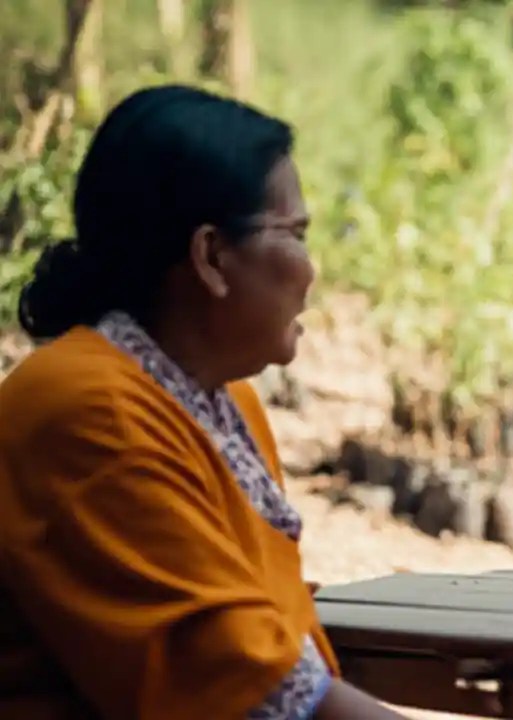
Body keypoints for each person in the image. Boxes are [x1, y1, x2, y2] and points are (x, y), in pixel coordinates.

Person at [0, 85, 408, 719]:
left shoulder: (224, 401)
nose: (311, 269)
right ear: (212, 257)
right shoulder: (87, 409)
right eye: (295, 234)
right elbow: (250, 689)